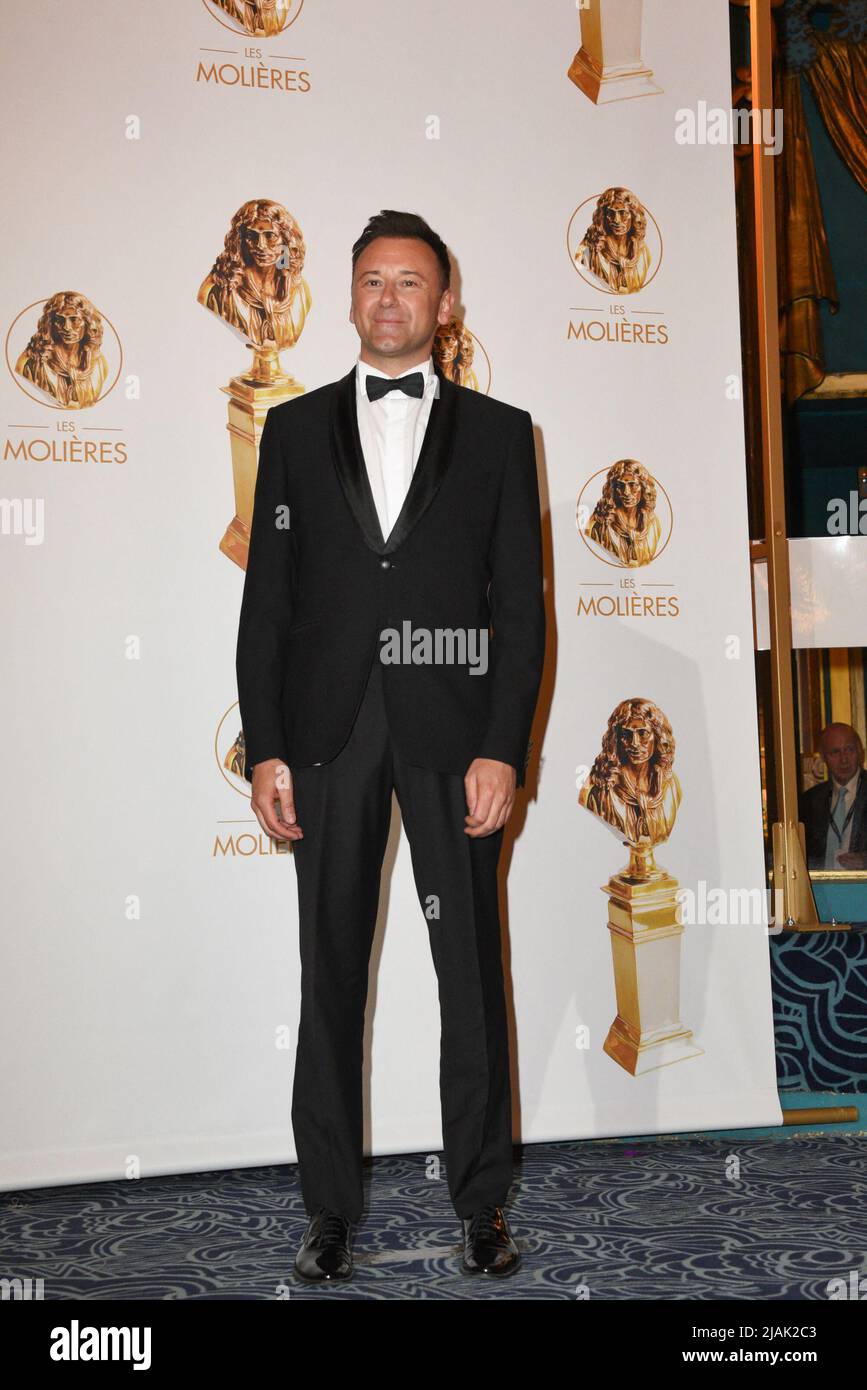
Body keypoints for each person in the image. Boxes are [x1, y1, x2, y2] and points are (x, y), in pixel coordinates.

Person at [235, 209, 546, 1282]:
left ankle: (482, 1204)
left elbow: (524, 612)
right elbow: (266, 606)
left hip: (454, 738)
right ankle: (328, 1210)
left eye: (411, 281)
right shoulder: (291, 429)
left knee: (470, 975)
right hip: (326, 738)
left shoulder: (506, 435)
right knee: (329, 977)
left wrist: (504, 745)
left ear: (445, 302)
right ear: (351, 293)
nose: (389, 298)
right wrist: (265, 746)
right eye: (372, 279)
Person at [800, 723, 867, 870]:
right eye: (835, 752)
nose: (844, 759)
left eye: (849, 750)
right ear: (823, 758)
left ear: (860, 753)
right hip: (821, 890)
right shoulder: (809, 801)